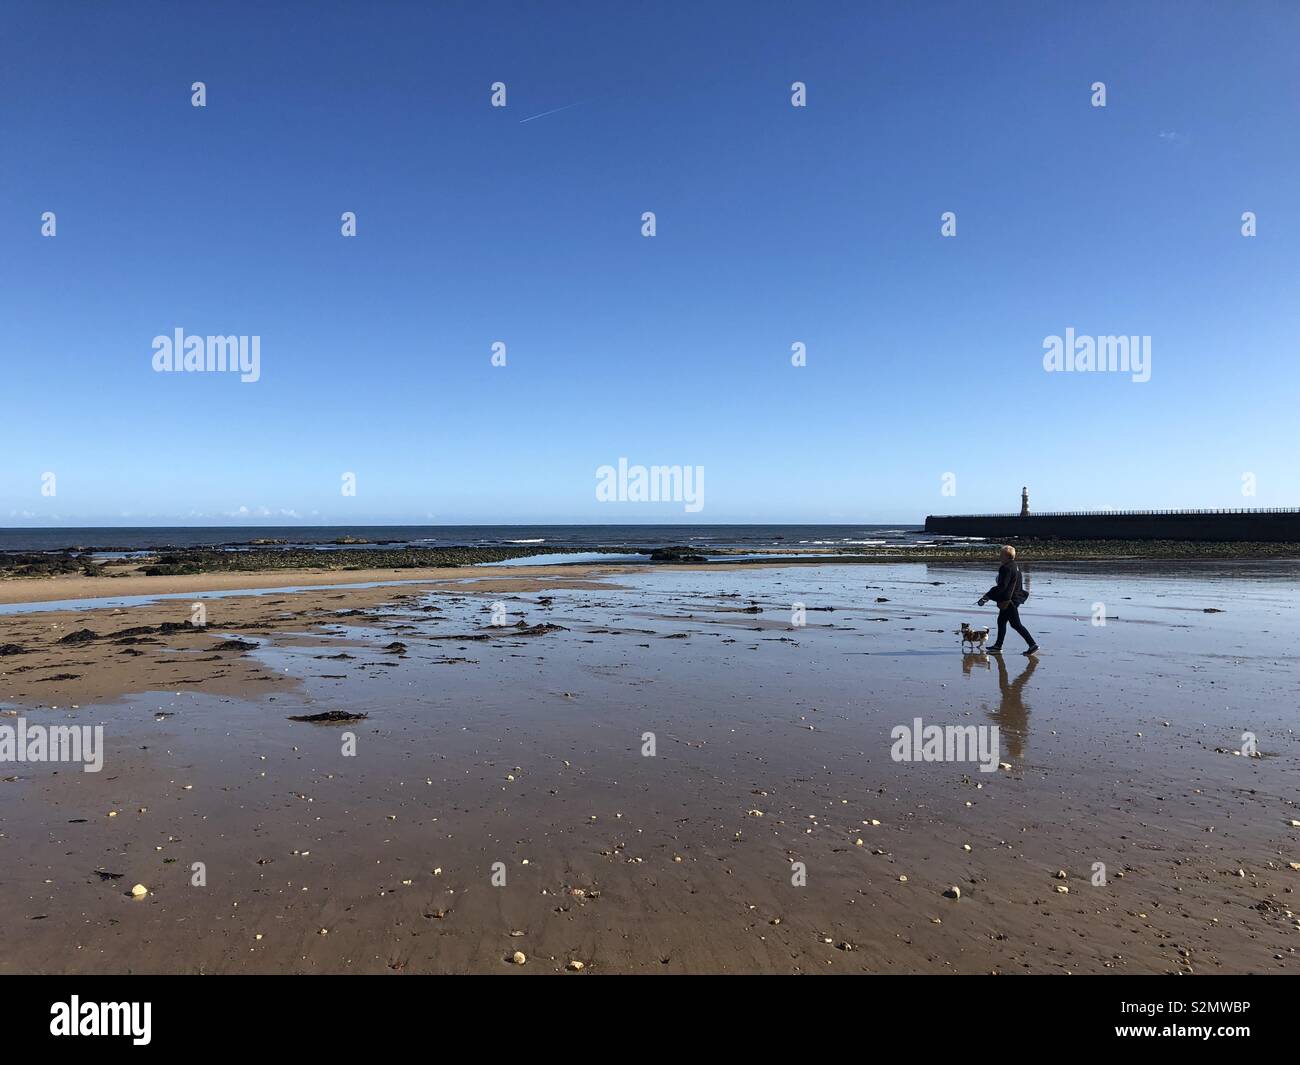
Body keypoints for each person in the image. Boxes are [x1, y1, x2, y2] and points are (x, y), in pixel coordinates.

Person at [977, 545, 1038, 655]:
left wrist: (988, 595)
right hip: (1014, 598)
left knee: (1016, 624)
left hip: (1009, 600)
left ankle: (1032, 644)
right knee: (1001, 621)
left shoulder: (1005, 568)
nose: (999, 556)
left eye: (1001, 554)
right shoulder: (1015, 566)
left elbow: (1002, 586)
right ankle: (998, 646)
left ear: (1006, 556)